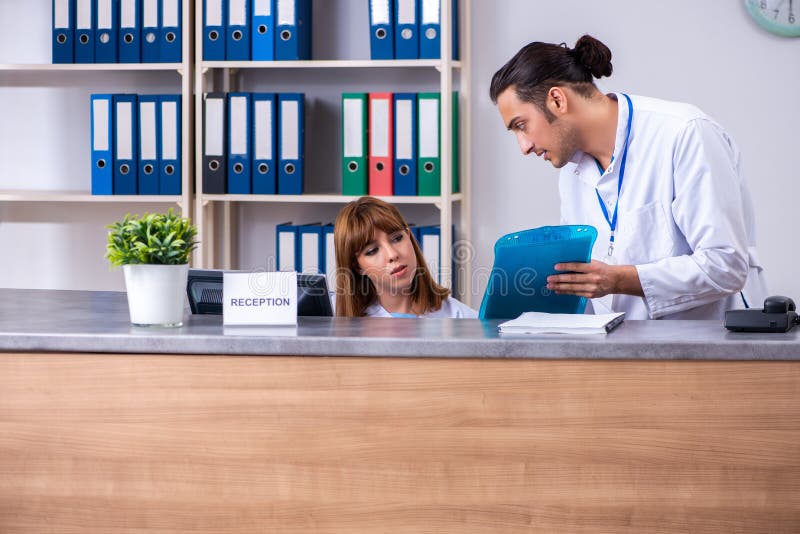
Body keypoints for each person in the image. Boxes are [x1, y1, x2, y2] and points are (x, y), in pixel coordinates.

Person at [489, 35, 767, 320]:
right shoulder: (571, 173)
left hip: (715, 343)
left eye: (522, 126)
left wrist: (619, 279)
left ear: (557, 100)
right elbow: (588, 281)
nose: (524, 147)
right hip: (629, 351)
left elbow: (726, 266)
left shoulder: (684, 133)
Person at [333, 196, 477, 318]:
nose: (393, 254)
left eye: (397, 238)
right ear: (357, 267)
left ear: (409, 236)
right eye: (372, 251)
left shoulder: (458, 316)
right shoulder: (332, 314)